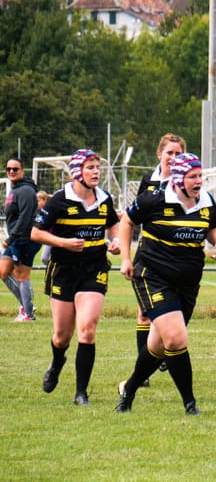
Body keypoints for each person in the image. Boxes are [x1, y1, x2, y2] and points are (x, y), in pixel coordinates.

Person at [115, 153, 216, 415]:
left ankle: (128, 389)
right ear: (178, 179)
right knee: (175, 338)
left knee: (158, 346)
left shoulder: (206, 201)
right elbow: (127, 221)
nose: (199, 181)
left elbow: (212, 226)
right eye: (193, 177)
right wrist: (126, 259)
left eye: (200, 176)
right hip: (153, 276)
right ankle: (190, 404)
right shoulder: (153, 199)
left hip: (187, 283)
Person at [32, 150, 121, 406]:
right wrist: (64, 242)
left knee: (88, 329)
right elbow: (36, 233)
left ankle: (81, 393)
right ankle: (57, 363)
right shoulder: (59, 200)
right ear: (77, 172)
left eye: (97, 167)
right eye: (90, 167)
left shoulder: (104, 199)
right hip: (64, 270)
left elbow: (112, 224)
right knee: (62, 335)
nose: (96, 172)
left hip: (94, 268)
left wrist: (115, 240)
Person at [132, 133, 187, 384]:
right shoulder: (149, 180)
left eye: (178, 154)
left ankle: (163, 347)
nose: (173, 158)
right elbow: (136, 214)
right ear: (159, 154)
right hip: (150, 254)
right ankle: (142, 373)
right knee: (144, 314)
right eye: (169, 153)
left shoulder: (188, 182)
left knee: (172, 314)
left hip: (177, 258)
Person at [4, 157, 41, 322]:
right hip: (16, 238)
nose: (11, 171)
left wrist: (11, 238)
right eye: (9, 169)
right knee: (3, 271)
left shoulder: (26, 190)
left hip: (25, 238)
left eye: (15, 169)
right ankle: (26, 305)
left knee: (22, 276)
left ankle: (28, 314)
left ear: (22, 171)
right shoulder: (16, 189)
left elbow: (25, 217)